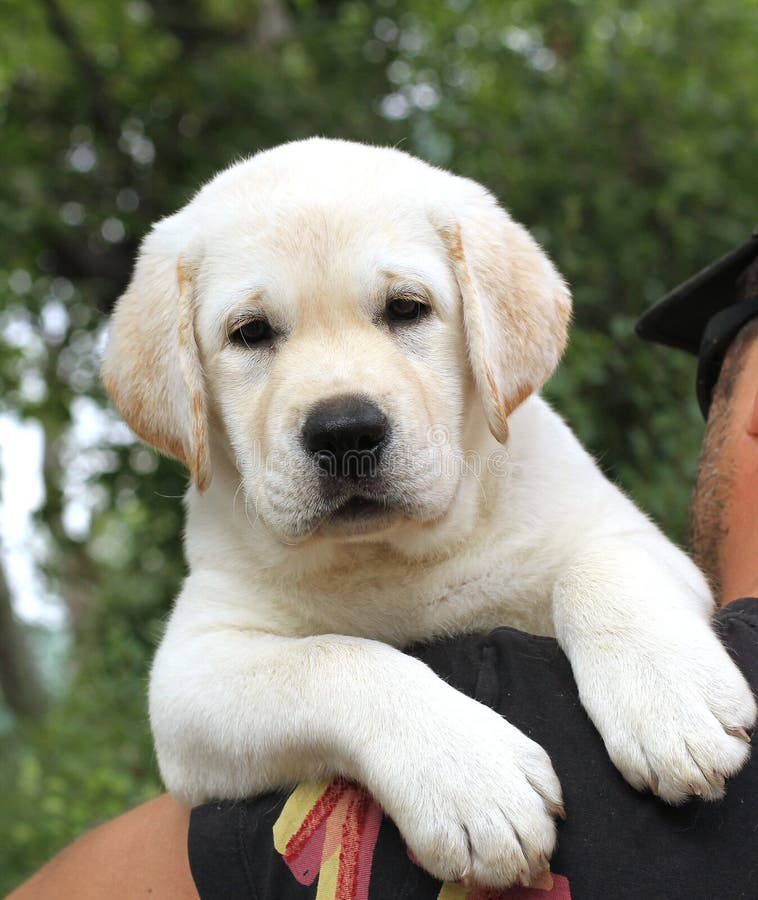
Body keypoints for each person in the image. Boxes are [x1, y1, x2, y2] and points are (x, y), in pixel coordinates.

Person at [10, 230, 758, 900]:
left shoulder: (540, 470)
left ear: (492, 335)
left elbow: (637, 559)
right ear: (185, 387)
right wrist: (373, 705)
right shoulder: (241, 550)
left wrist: (617, 605)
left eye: (404, 310)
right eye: (253, 332)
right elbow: (191, 711)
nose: (341, 414)